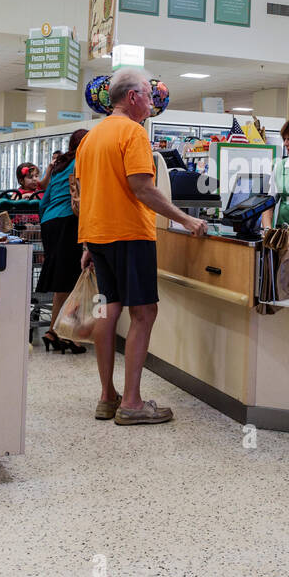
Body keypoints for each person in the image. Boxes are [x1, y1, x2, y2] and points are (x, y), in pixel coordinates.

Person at [76, 68, 207, 425]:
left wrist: (87, 240)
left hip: (99, 237)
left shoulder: (92, 135)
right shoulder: (133, 133)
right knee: (144, 313)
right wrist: (187, 219)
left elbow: (85, 192)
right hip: (130, 235)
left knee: (108, 310)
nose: (153, 102)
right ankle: (132, 403)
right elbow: (143, 188)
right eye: (149, 95)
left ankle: (107, 397)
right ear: (132, 97)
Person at [35, 131, 88, 354]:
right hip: (69, 221)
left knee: (63, 280)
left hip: (50, 222)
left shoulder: (60, 165)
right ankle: (69, 334)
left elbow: (43, 200)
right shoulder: (83, 160)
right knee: (75, 279)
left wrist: (47, 223)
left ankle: (55, 332)